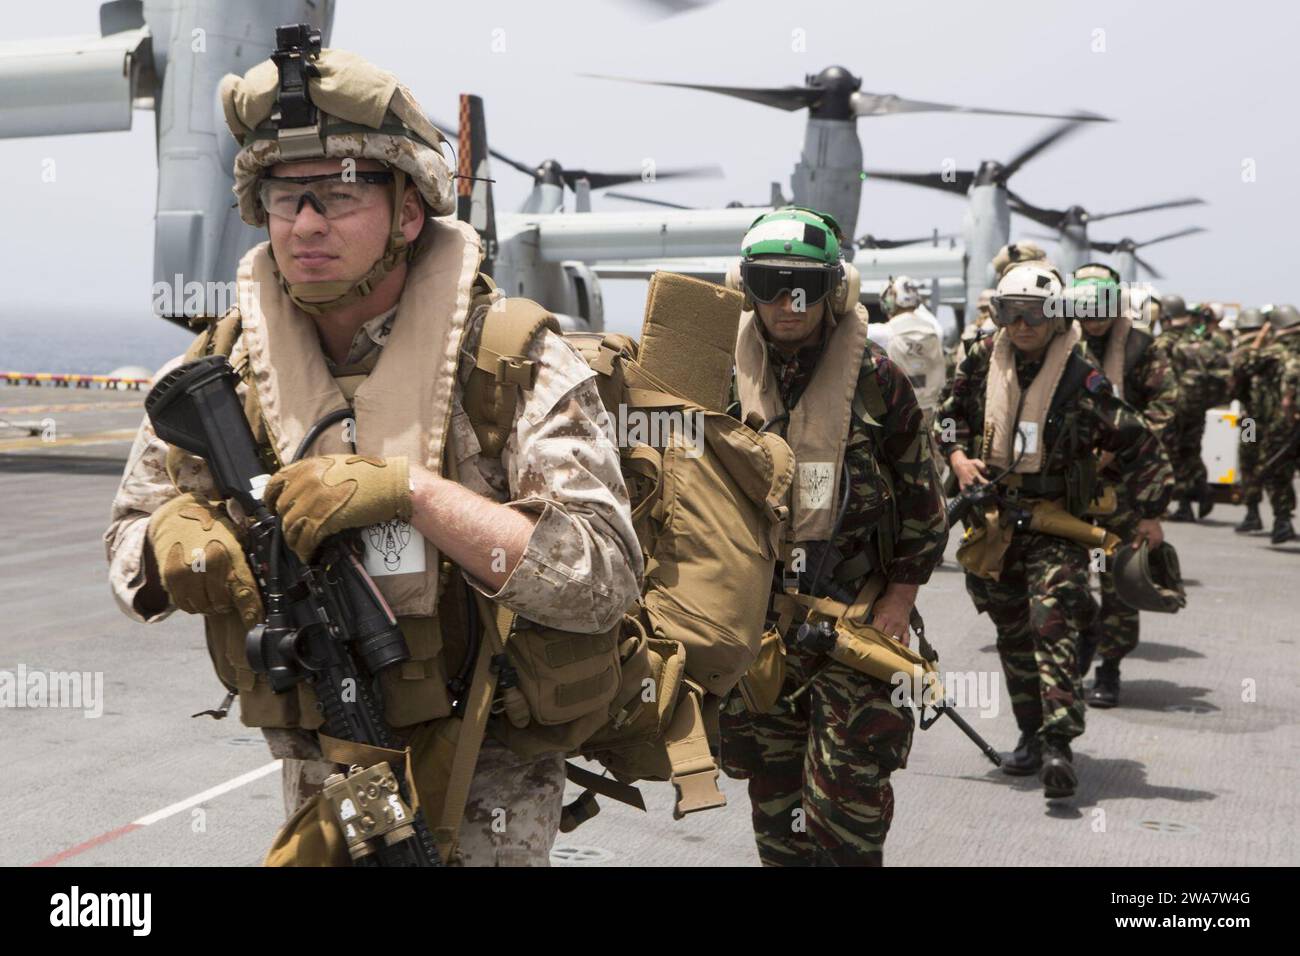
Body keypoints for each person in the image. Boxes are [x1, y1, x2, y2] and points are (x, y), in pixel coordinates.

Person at [103, 40, 642, 866]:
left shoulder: (511, 359)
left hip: (486, 766)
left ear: (409, 211)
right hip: (326, 758)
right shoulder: (222, 369)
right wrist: (174, 541)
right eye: (287, 196)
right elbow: (128, 548)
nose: (307, 223)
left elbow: (600, 576)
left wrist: (413, 493)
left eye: (342, 193)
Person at [720, 207, 947, 865]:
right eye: (770, 285)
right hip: (760, 630)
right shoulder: (720, 376)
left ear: (833, 290)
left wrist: (897, 605)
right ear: (748, 290)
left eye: (804, 287)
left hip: (855, 622)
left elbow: (923, 510)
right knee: (776, 815)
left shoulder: (877, 383)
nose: (788, 304)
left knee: (845, 819)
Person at [936, 262, 1172, 799]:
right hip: (994, 520)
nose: (1021, 326)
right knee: (1013, 632)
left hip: (1056, 521)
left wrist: (1151, 512)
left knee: (1050, 620)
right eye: (1010, 314)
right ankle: (1029, 732)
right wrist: (957, 456)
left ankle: (1058, 742)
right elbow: (946, 417)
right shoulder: (981, 360)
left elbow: (1137, 438)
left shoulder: (1078, 375)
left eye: (1034, 315)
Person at [1069, 264, 1178, 708]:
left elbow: (1166, 407)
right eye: (1085, 309)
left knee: (1117, 579)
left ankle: (1109, 667)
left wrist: (1119, 441)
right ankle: (1080, 641)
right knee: (1065, 576)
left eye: (1101, 309)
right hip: (1069, 483)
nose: (1093, 318)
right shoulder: (1059, 342)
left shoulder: (1140, 347)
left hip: (1125, 485)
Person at [1257, 304, 1300, 543]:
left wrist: (1260, 339)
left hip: (1253, 421)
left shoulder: (1271, 351)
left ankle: (1253, 512)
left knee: (1254, 462)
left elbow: (1241, 366)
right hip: (1269, 420)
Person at [1228, 307, 1271, 533]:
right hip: (1274, 419)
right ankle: (1281, 518)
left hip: (1250, 421)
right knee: (1275, 463)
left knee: (1248, 462)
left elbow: (1234, 381)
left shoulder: (1246, 351)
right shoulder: (1274, 346)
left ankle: (1252, 513)